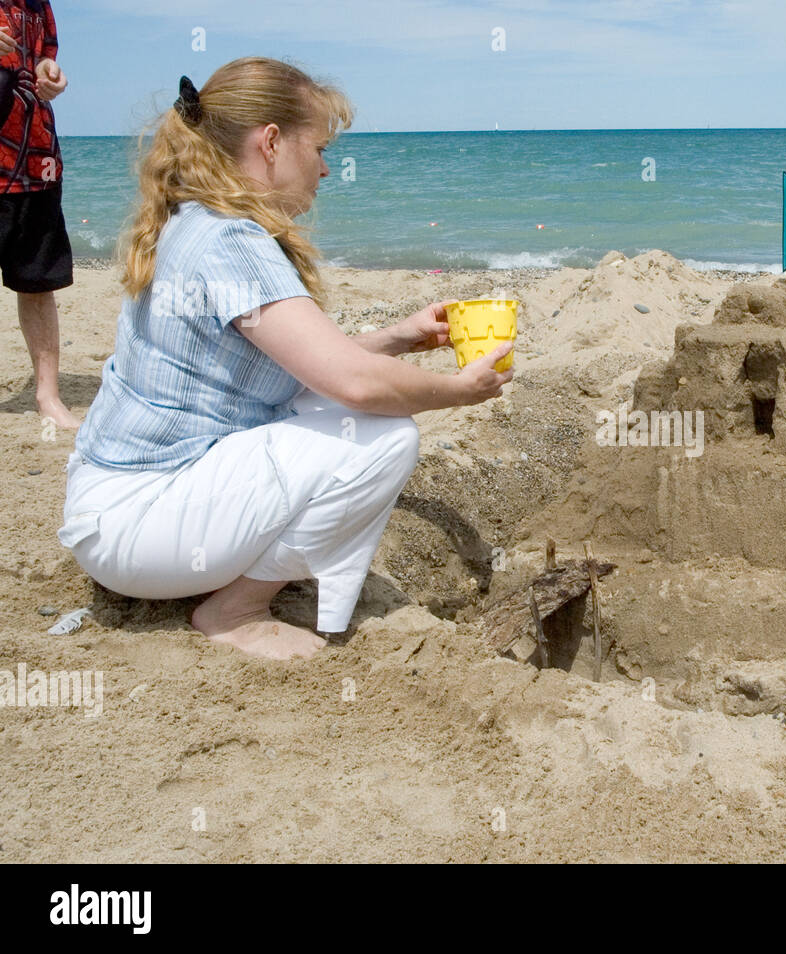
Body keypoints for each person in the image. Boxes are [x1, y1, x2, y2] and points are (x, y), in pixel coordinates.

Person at [58, 57, 513, 660]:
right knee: (384, 438)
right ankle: (235, 609)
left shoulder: (196, 219)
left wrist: (399, 338)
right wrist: (460, 390)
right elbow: (351, 383)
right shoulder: (233, 241)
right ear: (270, 143)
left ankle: (226, 570)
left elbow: (288, 365)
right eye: (318, 147)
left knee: (323, 405)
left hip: (115, 511)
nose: (326, 167)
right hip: (137, 529)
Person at [0, 0, 77, 428]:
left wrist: (52, 75)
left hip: (36, 158)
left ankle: (48, 396)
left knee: (37, 283)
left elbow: (46, 55)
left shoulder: (37, 3)